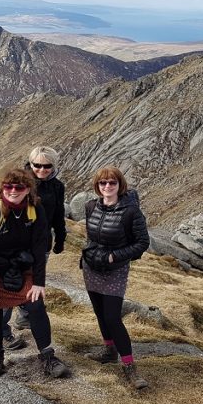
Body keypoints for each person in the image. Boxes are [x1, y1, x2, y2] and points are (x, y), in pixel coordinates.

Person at [0, 168, 71, 378]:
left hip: (21, 268)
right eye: (8, 187)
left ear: (28, 189)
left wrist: (39, 283)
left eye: (19, 187)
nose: (13, 191)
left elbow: (40, 246)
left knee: (36, 305)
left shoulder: (35, 210)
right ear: (2, 188)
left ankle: (48, 357)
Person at [80, 166, 150, 390]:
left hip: (115, 270)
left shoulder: (131, 211)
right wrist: (90, 254)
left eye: (112, 183)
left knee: (112, 317)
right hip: (92, 267)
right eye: (103, 183)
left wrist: (114, 256)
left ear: (120, 185)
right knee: (100, 313)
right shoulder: (91, 206)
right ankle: (109, 350)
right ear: (97, 186)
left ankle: (129, 366)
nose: (107, 187)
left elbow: (142, 243)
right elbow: (91, 236)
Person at [2, 146, 67, 348]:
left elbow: (58, 213)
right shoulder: (18, 183)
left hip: (41, 244)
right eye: (37, 165)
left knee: (32, 283)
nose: (41, 169)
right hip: (16, 244)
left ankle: (25, 316)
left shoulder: (57, 186)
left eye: (47, 166)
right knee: (8, 283)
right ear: (30, 163)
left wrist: (61, 238)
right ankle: (1, 328)